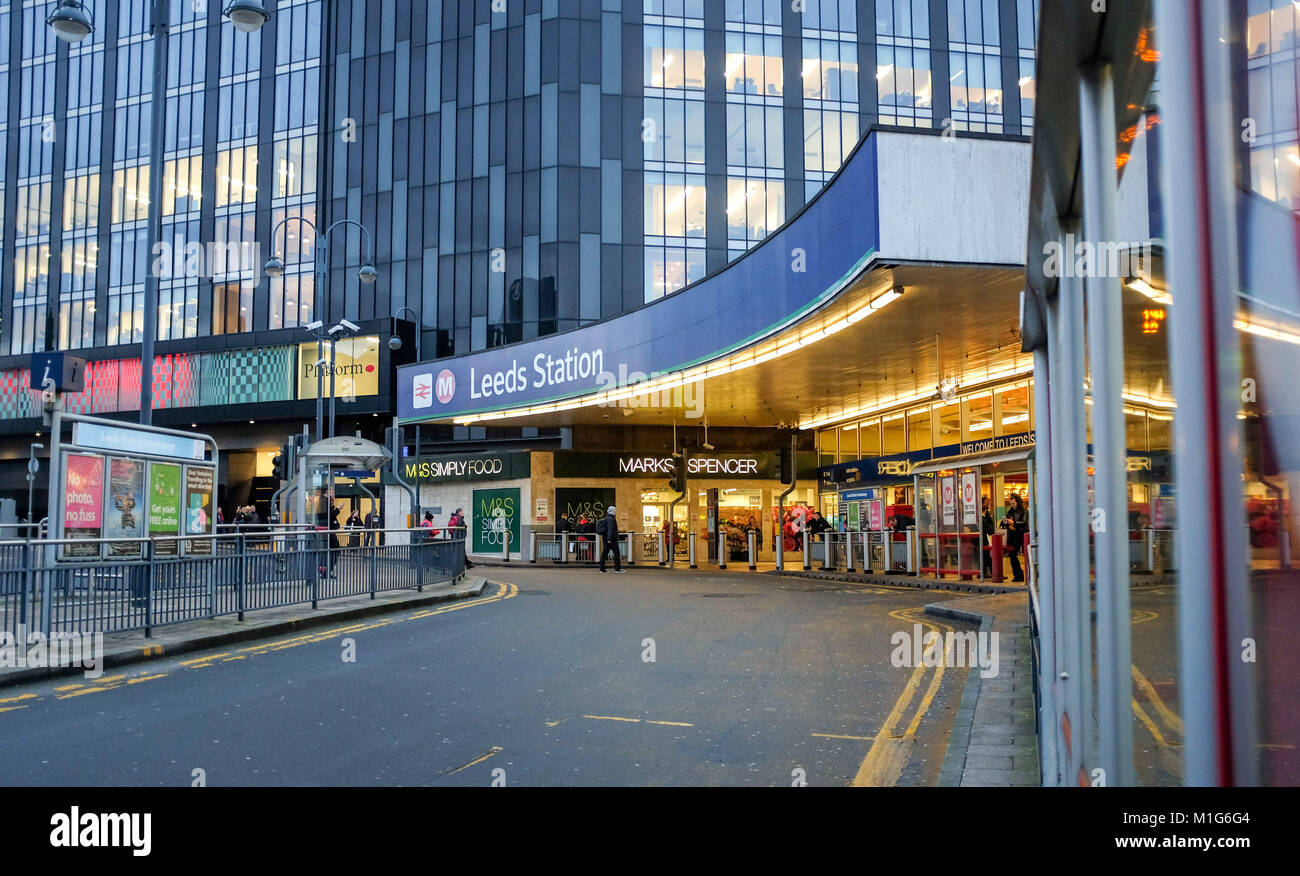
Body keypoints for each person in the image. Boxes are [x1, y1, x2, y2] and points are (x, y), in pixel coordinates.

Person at [1000, 493, 1027, 582]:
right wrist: (1004, 521)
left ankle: (1019, 575)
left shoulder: (1024, 510)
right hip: (1011, 535)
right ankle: (1017, 576)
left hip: (1019, 535)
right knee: (1012, 556)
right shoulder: (1010, 511)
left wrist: (1013, 523)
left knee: (1013, 555)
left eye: (1014, 503)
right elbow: (1005, 522)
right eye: (1011, 504)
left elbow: (1024, 523)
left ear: (1018, 502)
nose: (1012, 505)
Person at [598, 505, 624, 573]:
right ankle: (617, 569)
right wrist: (609, 539)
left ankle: (602, 568)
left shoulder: (606, 518)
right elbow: (610, 529)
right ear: (613, 511)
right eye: (614, 511)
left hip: (606, 538)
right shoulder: (611, 519)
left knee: (604, 553)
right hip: (612, 539)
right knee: (616, 553)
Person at [981, 497, 995, 577]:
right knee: (986, 555)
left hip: (986, 536)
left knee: (987, 555)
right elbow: (987, 525)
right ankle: (988, 572)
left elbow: (991, 525)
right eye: (985, 503)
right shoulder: (980, 515)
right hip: (981, 537)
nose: (986, 504)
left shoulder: (987, 513)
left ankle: (986, 572)